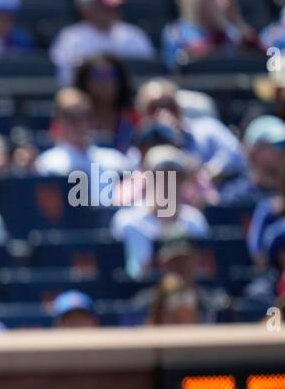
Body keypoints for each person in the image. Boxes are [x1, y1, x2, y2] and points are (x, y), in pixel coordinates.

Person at [110, 146, 212, 280]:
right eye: (161, 177)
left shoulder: (195, 220)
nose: (168, 184)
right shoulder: (126, 221)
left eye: (175, 177)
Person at [49, 0, 155, 85]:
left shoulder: (134, 35)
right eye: (103, 5)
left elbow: (149, 75)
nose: (111, 11)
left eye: (112, 6)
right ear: (85, 8)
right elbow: (65, 81)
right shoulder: (69, 38)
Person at [161, 0, 263, 70]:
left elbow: (267, 58)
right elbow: (178, 65)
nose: (215, 1)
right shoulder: (177, 31)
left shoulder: (231, 31)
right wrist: (220, 31)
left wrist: (239, 23)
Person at [34, 87, 131, 176]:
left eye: (85, 116)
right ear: (58, 121)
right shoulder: (46, 164)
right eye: (71, 116)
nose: (80, 123)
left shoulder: (114, 161)